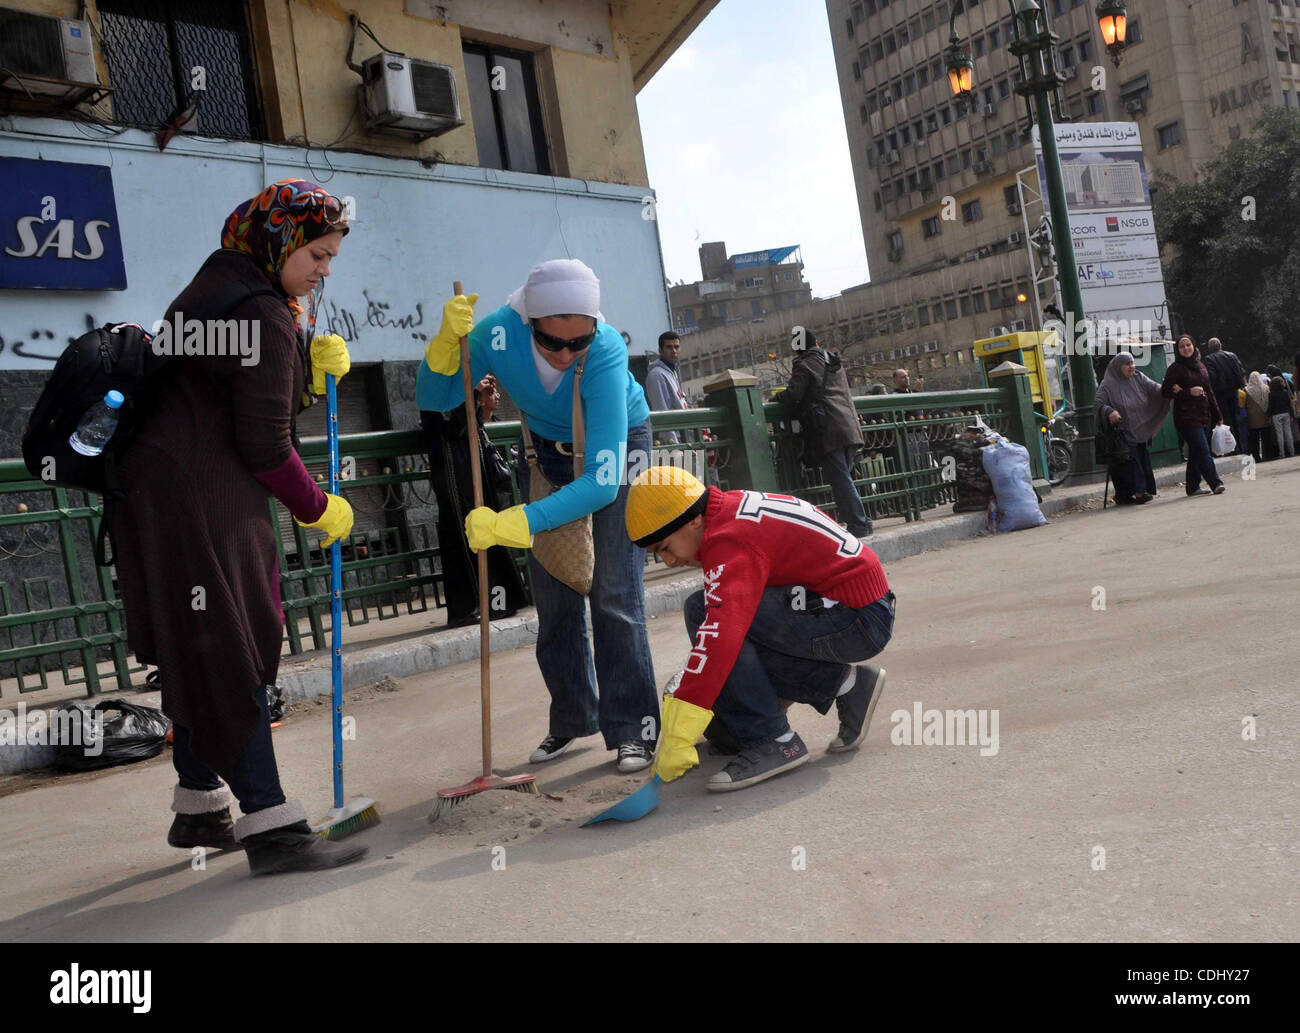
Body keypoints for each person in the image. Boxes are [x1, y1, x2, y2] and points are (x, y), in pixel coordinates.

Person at [111, 180, 367, 874]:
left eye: (331, 256)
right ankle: (274, 828)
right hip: (207, 506)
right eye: (316, 253)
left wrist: (307, 365)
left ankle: (199, 806)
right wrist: (320, 506)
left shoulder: (214, 288)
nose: (324, 269)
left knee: (199, 644)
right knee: (233, 648)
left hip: (156, 504)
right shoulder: (261, 311)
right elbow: (265, 444)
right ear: (279, 241)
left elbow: (230, 395)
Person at [417, 259, 658, 773]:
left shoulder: (607, 349)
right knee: (555, 596)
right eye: (554, 344)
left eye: (580, 341)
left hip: (616, 453)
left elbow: (601, 480)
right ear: (530, 325)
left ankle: (633, 726)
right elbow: (436, 399)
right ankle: (572, 719)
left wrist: (517, 522)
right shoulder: (496, 333)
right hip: (547, 452)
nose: (569, 354)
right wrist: (442, 348)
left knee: (614, 593)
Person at [625, 467, 894, 791]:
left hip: (856, 618)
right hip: (854, 609)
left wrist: (680, 727)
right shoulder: (728, 512)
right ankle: (847, 685)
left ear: (693, 519)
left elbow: (720, 638)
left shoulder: (728, 539)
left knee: (708, 615)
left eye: (665, 548)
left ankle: (774, 741)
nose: (668, 561)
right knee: (720, 623)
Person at [420, 373, 529, 628]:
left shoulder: (456, 386)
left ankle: (494, 603)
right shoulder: (434, 387)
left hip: (472, 468)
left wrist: (483, 402)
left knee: (484, 533)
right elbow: (450, 427)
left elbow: (473, 425)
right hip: (454, 474)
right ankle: (472, 607)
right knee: (465, 537)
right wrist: (471, 392)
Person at [784, 329, 873, 537]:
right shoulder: (833, 360)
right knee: (845, 477)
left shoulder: (803, 364)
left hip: (828, 427)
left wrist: (778, 399)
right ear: (816, 342)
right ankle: (860, 523)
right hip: (849, 425)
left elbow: (794, 394)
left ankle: (860, 524)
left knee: (841, 479)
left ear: (797, 350)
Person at [1096, 351, 1169, 504]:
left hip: (1140, 429)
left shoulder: (1138, 377)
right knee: (1130, 462)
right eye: (1127, 364)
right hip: (1122, 433)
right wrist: (1110, 411)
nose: (1131, 367)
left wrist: (1168, 390)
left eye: (1132, 363)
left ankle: (1138, 491)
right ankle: (1138, 492)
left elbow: (1155, 388)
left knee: (1141, 460)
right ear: (1118, 367)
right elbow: (1098, 403)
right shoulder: (1108, 384)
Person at [1161, 334, 1226, 496]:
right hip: (1186, 418)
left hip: (1204, 415)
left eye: (1188, 345)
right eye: (1182, 346)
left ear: (1194, 346)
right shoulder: (1175, 369)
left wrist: (1218, 415)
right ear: (1178, 350)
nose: (1186, 348)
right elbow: (1165, 391)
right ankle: (1215, 482)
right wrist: (1187, 392)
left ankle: (1192, 486)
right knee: (1203, 450)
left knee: (1197, 452)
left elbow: (1209, 391)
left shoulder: (1201, 366)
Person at [1202, 338, 1247, 455]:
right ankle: (1241, 446)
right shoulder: (1232, 356)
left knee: (1225, 420)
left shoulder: (1209, 359)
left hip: (1220, 393)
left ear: (1209, 348)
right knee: (1236, 418)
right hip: (1234, 391)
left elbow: (1211, 377)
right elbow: (1240, 371)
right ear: (1220, 345)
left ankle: (1230, 447)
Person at [644, 331, 688, 445]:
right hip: (674, 441)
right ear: (660, 350)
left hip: (685, 436)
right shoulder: (656, 375)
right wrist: (674, 445)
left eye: (676, 347)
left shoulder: (672, 372)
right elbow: (661, 411)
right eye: (669, 347)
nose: (673, 351)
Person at [1266, 364, 1296, 458]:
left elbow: (1271, 406)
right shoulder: (1285, 392)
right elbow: (1289, 404)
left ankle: (1282, 453)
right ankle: (1292, 452)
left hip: (1276, 415)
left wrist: (1267, 415)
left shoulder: (1271, 394)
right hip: (1286, 413)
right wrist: (1292, 415)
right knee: (1288, 433)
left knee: (1279, 434)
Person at [1244, 371, 1272, 461]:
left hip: (1253, 418)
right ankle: (1268, 455)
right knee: (1266, 437)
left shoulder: (1247, 390)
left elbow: (1244, 403)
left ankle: (1256, 457)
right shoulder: (1266, 388)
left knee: (1254, 439)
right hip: (1265, 416)